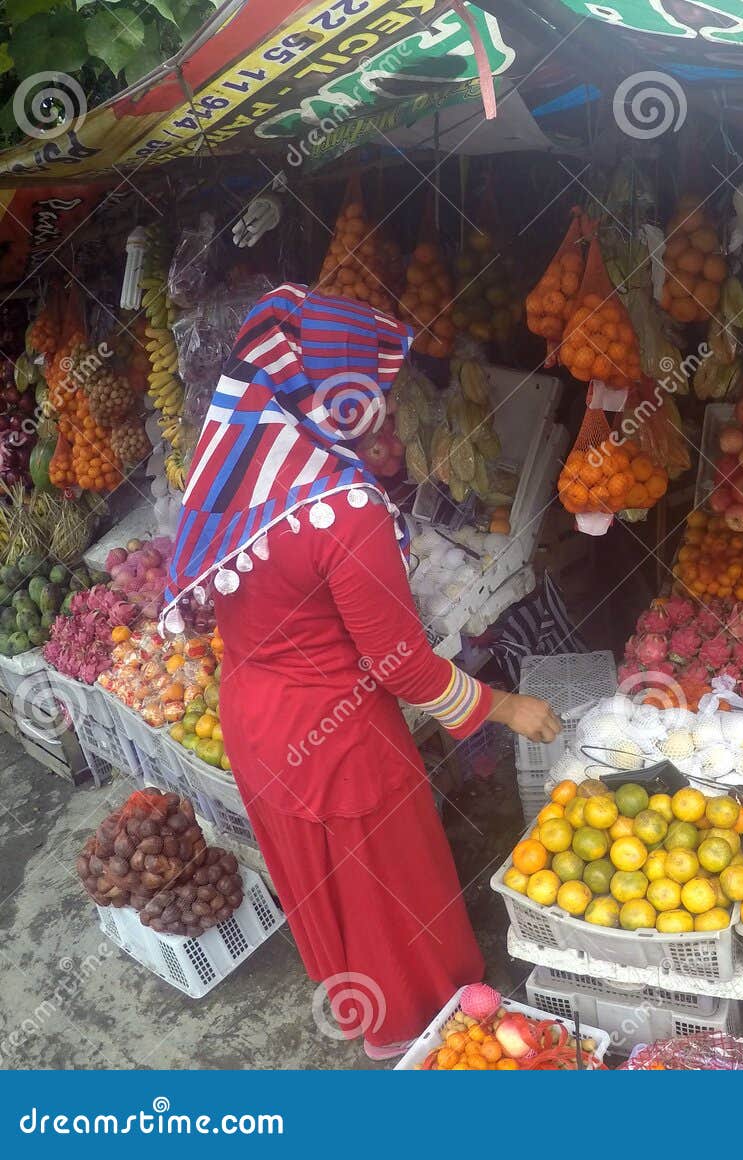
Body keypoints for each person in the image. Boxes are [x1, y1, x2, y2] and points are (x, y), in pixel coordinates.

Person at [162, 284, 559, 1059]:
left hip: (255, 721)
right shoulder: (343, 505)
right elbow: (401, 663)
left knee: (326, 887)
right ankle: (421, 1031)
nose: (377, 400)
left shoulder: (237, 472)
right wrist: (507, 707)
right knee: (390, 890)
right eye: (364, 386)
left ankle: (364, 1014)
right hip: (338, 739)